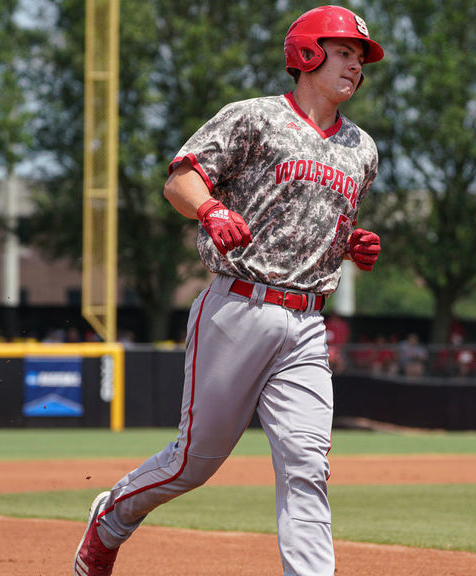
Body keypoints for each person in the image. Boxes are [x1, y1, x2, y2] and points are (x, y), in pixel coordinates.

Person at [73, 6, 384, 576]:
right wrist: (211, 208)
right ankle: (111, 520)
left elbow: (311, 224)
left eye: (360, 58)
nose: (355, 66)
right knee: (195, 461)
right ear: (307, 54)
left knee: (306, 466)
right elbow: (181, 179)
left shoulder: (361, 150)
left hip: (307, 324)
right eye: (344, 51)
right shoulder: (254, 117)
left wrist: (349, 244)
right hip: (238, 307)